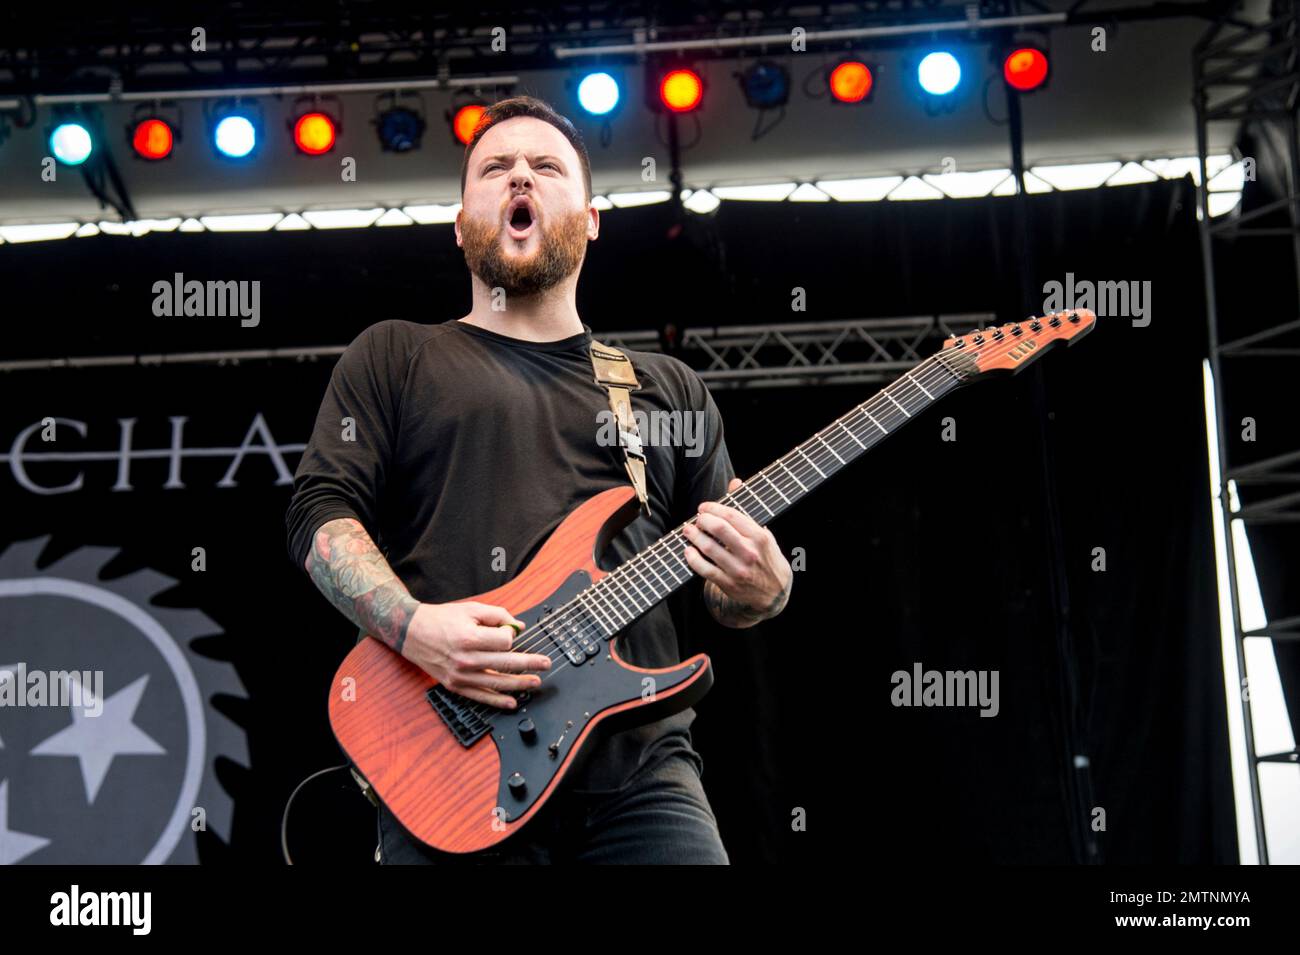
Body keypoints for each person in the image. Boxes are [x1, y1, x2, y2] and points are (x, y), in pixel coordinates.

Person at [284, 95, 792, 864]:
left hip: (642, 775)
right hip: (453, 766)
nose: (520, 174)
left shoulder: (666, 386)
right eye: (495, 168)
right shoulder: (394, 356)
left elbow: (729, 585)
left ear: (590, 219)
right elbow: (321, 515)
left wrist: (765, 585)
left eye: (546, 166)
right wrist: (417, 628)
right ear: (460, 225)